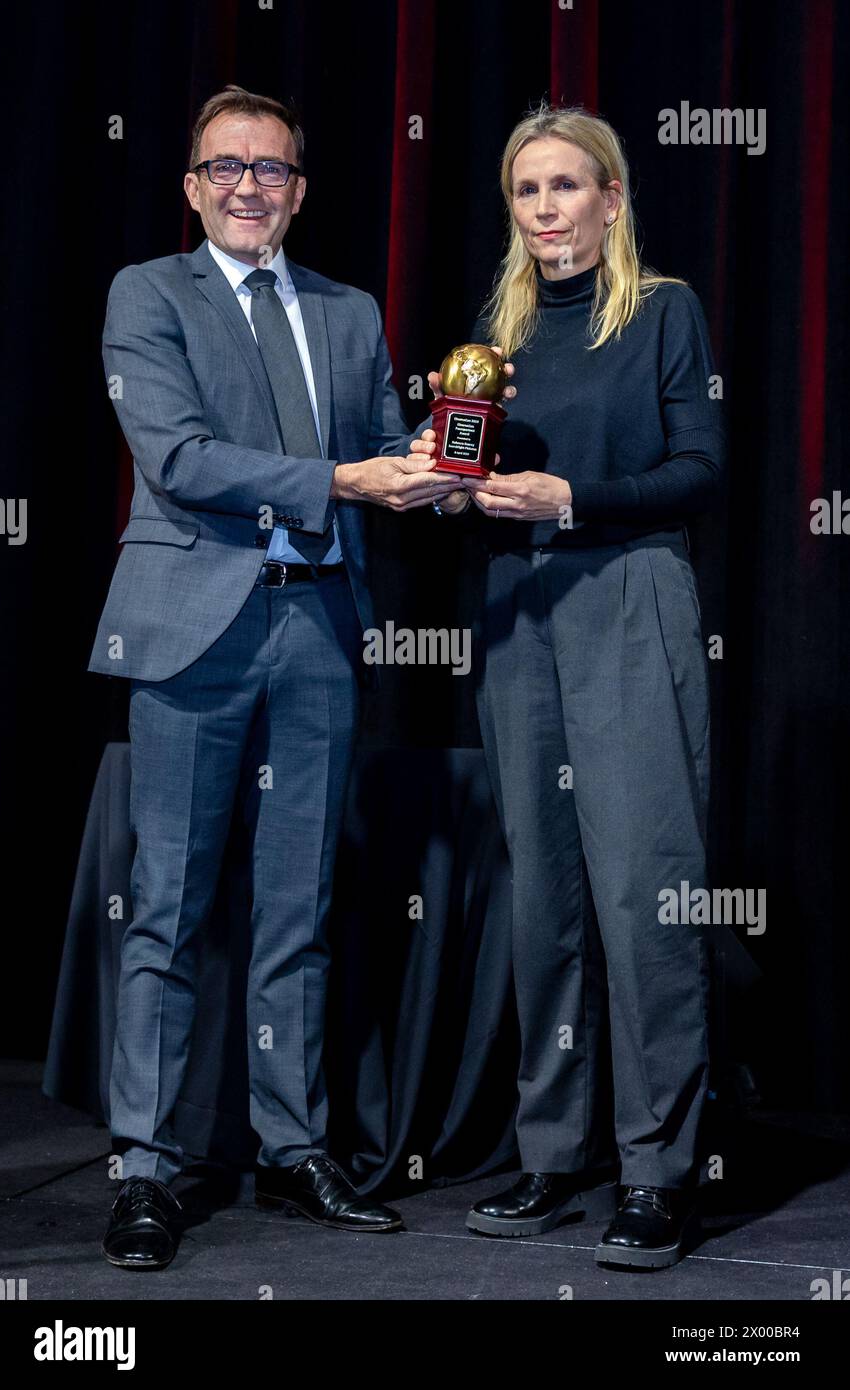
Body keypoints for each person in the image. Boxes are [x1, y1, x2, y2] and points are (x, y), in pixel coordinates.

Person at [89, 85, 470, 1269]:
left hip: (317, 626)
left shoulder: (350, 314)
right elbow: (183, 457)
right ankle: (147, 1169)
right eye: (225, 167)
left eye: (270, 168)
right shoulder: (147, 293)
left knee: (299, 905)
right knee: (168, 904)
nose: (248, 186)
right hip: (192, 627)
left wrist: (445, 466)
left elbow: (383, 454)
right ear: (192, 186)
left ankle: (293, 1146)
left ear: (299, 189)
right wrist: (347, 482)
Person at [412, 103, 726, 1269]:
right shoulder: (491, 338)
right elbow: (465, 469)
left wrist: (572, 500)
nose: (547, 210)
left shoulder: (660, 311)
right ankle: (554, 1151)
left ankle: (657, 1167)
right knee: (542, 896)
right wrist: (447, 491)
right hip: (513, 613)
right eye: (526, 191)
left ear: (609, 195)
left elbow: (698, 469)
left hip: (626, 596)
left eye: (566, 186)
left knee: (643, 896)